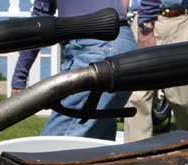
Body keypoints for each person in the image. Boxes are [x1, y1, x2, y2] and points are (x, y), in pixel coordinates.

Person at [10, 0, 137, 141]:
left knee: (54, 147)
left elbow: (38, 22)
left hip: (96, 47)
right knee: (94, 152)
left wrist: (19, 78)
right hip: (120, 41)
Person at [126, 0, 188, 142]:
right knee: (136, 96)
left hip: (184, 21)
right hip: (144, 21)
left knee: (184, 97)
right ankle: (135, 157)